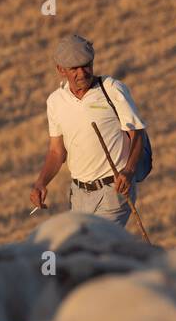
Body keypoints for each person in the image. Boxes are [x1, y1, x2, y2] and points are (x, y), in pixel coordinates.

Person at [30, 34, 147, 227]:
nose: (82, 73)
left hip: (114, 191)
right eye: (74, 69)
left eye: (86, 65)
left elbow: (137, 133)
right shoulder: (55, 102)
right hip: (79, 195)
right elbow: (56, 152)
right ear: (61, 70)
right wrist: (41, 182)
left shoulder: (111, 90)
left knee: (98, 248)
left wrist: (128, 171)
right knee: (82, 252)